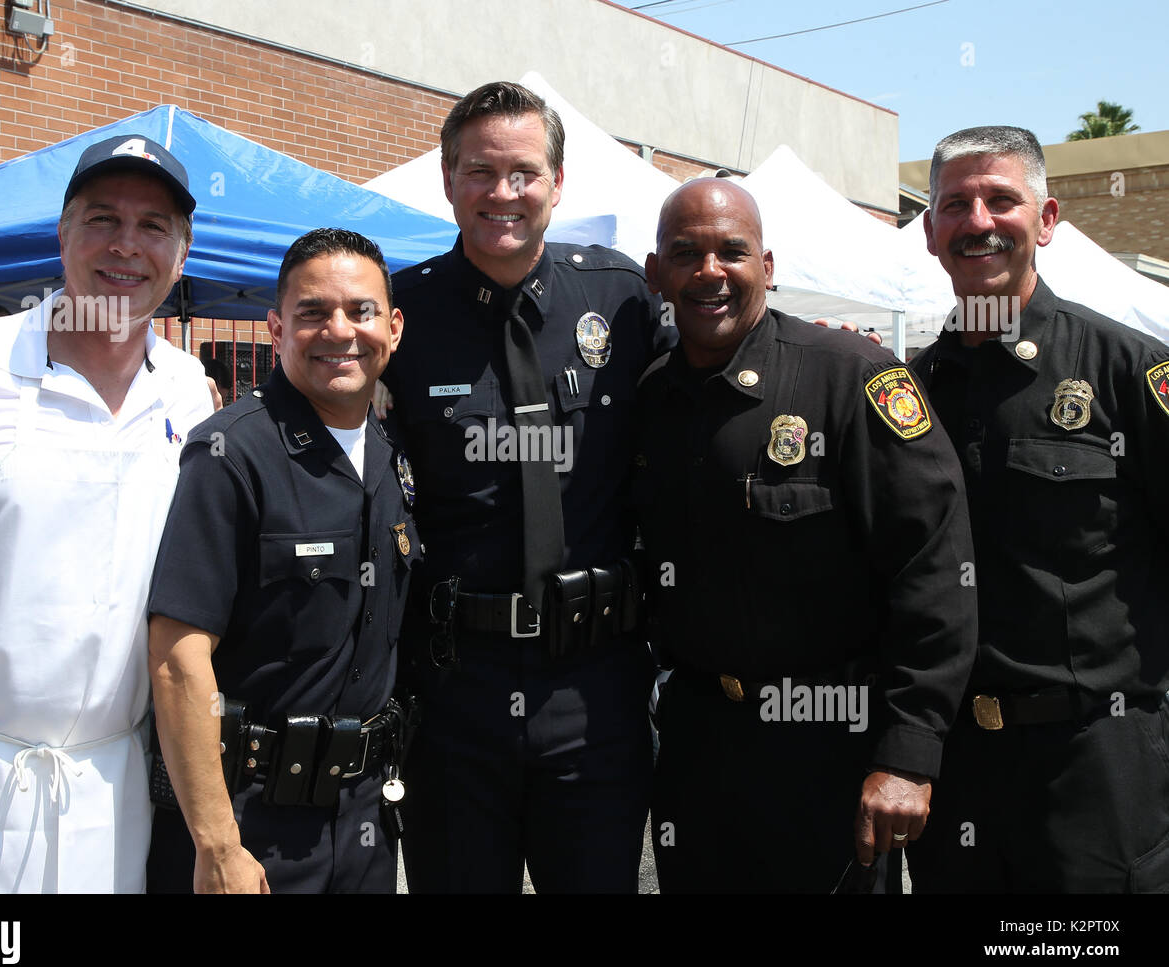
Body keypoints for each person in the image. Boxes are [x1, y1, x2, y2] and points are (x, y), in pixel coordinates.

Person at [0, 133, 213, 892]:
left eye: (153, 226)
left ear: (182, 253)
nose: (126, 246)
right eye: (102, 219)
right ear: (62, 235)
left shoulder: (191, 392)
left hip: (102, 799)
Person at [634, 178, 977, 892]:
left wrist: (909, 755)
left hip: (830, 753)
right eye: (685, 253)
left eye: (732, 251)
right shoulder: (649, 399)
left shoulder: (851, 378)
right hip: (698, 750)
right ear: (655, 273)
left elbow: (935, 571)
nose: (710, 272)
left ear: (768, 265)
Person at [379, 80, 674, 893]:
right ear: (448, 181)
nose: (501, 193)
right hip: (454, 687)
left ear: (558, 182)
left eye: (523, 173)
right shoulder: (398, 314)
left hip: (595, 682)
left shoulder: (619, 298)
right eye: (479, 172)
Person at [905, 126, 1169, 892]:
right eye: (955, 204)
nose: (979, 221)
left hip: (1098, 766)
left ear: (1046, 220)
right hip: (956, 769)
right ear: (930, 231)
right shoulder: (908, 395)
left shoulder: (1130, 371)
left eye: (1001, 200)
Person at [146, 228, 417, 894]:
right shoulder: (230, 456)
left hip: (362, 822)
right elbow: (178, 657)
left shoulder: (393, 457)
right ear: (275, 328)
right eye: (312, 313)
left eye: (361, 310)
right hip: (249, 824)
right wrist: (217, 846)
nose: (339, 330)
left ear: (395, 326)